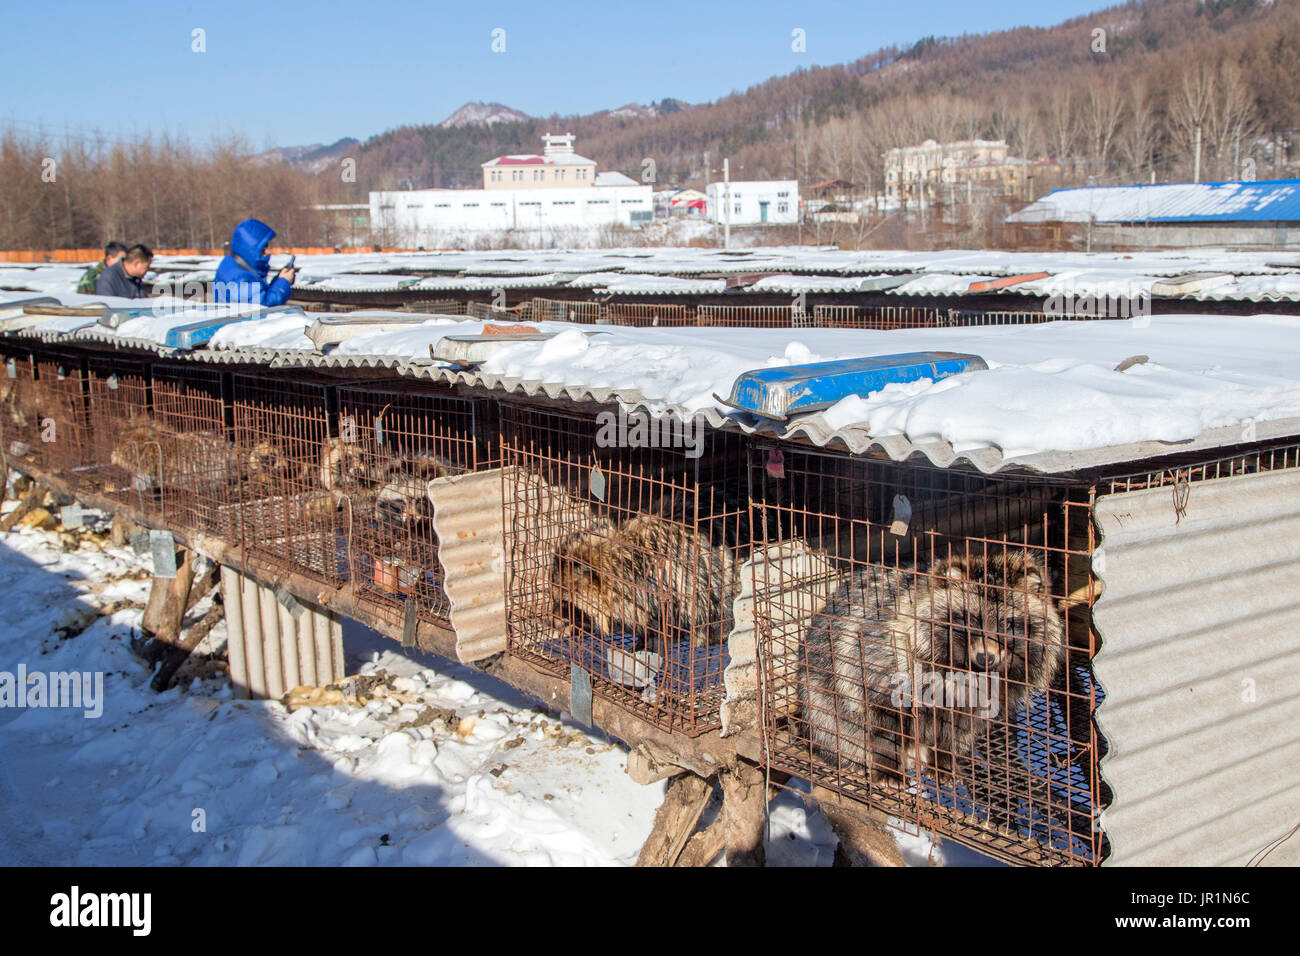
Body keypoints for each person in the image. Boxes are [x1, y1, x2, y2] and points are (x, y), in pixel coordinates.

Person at [212, 218, 296, 307]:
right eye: (262, 249)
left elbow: (258, 296)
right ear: (251, 249)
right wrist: (283, 283)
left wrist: (278, 280)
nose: (265, 253)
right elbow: (262, 306)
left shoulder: (234, 264)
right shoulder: (240, 277)